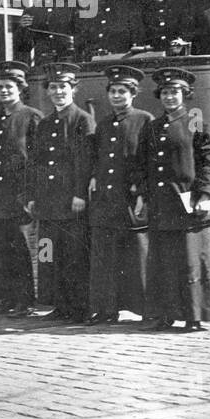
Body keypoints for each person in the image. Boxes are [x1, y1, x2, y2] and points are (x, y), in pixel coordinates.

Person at [134, 68, 210, 331]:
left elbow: (206, 160)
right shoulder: (153, 126)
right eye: (166, 93)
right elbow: (143, 164)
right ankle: (164, 314)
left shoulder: (194, 119)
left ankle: (193, 316)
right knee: (163, 260)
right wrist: (142, 194)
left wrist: (204, 193)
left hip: (188, 203)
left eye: (175, 92)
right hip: (161, 203)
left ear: (185, 94)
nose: (170, 97)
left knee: (190, 259)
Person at [26, 63, 95, 322]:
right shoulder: (45, 123)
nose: (58, 92)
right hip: (47, 201)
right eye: (53, 87)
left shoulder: (82, 119)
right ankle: (58, 304)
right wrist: (32, 195)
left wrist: (79, 194)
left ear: (73, 90)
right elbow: (36, 163)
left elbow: (85, 160)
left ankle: (79, 307)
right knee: (49, 252)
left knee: (73, 255)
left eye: (63, 87)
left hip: (70, 201)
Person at [84, 65, 151, 326]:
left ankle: (147, 310)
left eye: (122, 91)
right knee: (104, 258)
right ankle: (105, 310)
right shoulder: (103, 124)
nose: (117, 96)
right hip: (105, 201)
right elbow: (98, 157)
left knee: (137, 257)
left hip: (130, 200)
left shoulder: (144, 120)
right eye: (113, 91)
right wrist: (93, 177)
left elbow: (148, 160)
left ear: (133, 93)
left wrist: (142, 192)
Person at [0, 60, 41, 317]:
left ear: (21, 89)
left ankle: (24, 300)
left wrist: (30, 195)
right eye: (1, 87)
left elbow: (36, 160)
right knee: (0, 249)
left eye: (9, 87)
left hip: (19, 195)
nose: (4, 91)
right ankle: (6, 297)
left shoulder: (31, 116)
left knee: (20, 250)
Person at [14, 0, 79, 65]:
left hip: (68, 63)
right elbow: (23, 48)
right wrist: (22, 29)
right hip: (42, 64)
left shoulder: (71, 9)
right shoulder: (31, 11)